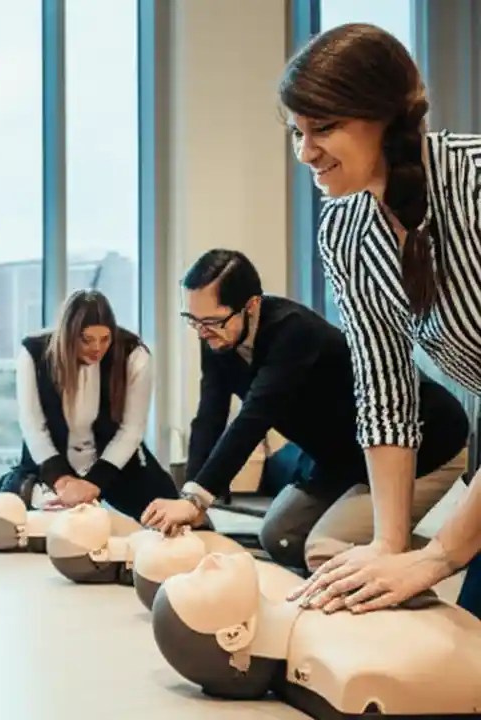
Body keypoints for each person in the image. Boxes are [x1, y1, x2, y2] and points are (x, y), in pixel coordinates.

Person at [278, 23, 481, 617]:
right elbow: (385, 391)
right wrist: (388, 546)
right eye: (296, 131)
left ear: (386, 118)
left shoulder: (473, 185)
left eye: (323, 128)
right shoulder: (344, 230)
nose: (305, 152)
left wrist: (440, 555)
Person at [140, 250, 468, 572]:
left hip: (421, 443)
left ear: (251, 305)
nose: (201, 330)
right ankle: (404, 549)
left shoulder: (293, 331)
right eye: (192, 320)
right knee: (279, 536)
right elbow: (210, 414)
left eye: (210, 321)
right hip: (343, 456)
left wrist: (197, 499)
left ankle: (446, 552)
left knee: (322, 551)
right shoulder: (216, 335)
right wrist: (191, 497)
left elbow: (255, 416)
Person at [0, 289, 179, 521]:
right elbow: (33, 427)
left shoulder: (134, 354)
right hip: (50, 464)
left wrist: (93, 484)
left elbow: (131, 430)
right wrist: (62, 481)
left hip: (115, 464)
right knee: (7, 506)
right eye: (87, 340)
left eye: (105, 339)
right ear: (68, 335)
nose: (98, 348)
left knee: (172, 511)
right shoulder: (34, 354)